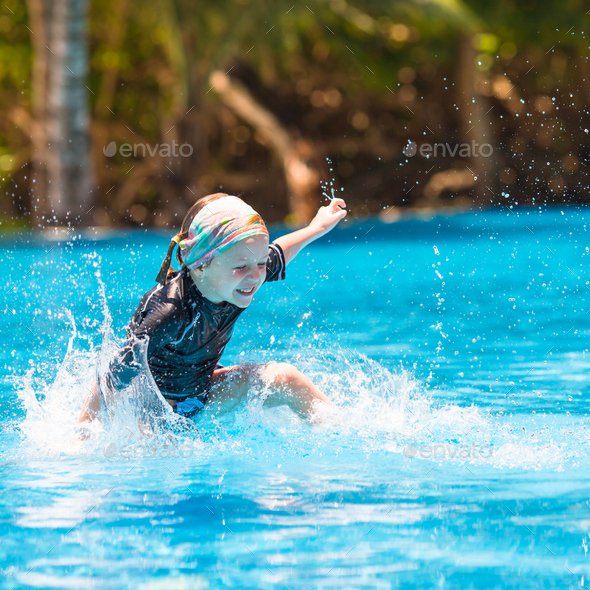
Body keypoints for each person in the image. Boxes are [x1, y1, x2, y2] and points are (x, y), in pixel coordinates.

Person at [77, 193, 347, 428]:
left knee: (286, 378)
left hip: (202, 396)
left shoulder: (236, 277)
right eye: (242, 267)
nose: (255, 277)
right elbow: (114, 374)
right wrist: (84, 428)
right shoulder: (170, 312)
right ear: (200, 264)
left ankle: (339, 433)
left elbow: (282, 250)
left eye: (261, 263)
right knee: (164, 449)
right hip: (156, 411)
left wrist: (317, 226)